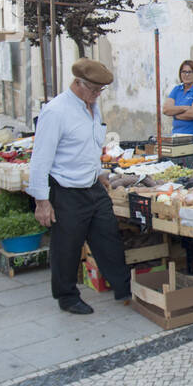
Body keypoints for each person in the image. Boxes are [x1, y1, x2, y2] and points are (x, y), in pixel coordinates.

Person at [28, 58, 131, 315]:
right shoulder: (56, 111)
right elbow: (40, 158)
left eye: (100, 91)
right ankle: (66, 296)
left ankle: (123, 288)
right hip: (65, 188)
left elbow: (90, 146)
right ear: (78, 83)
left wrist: (99, 173)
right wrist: (42, 201)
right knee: (67, 245)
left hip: (91, 185)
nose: (98, 95)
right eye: (94, 90)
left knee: (108, 235)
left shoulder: (92, 107)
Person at [162, 59, 193, 166]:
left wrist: (174, 113)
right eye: (183, 72)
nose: (186, 75)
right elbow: (166, 109)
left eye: (190, 72)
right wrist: (185, 108)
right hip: (178, 139)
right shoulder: (177, 89)